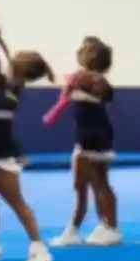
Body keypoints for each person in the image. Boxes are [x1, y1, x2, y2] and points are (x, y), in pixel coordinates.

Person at [0, 44, 54, 261]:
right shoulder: (6, 88)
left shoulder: (3, 91)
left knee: (17, 203)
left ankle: (40, 248)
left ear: (15, 68)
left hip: (0, 156)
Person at [48, 36, 121, 247]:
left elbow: (66, 94)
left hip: (88, 136)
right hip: (102, 132)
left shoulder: (83, 78)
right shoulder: (98, 81)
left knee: (82, 186)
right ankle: (109, 226)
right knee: (100, 182)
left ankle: (73, 230)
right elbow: (107, 95)